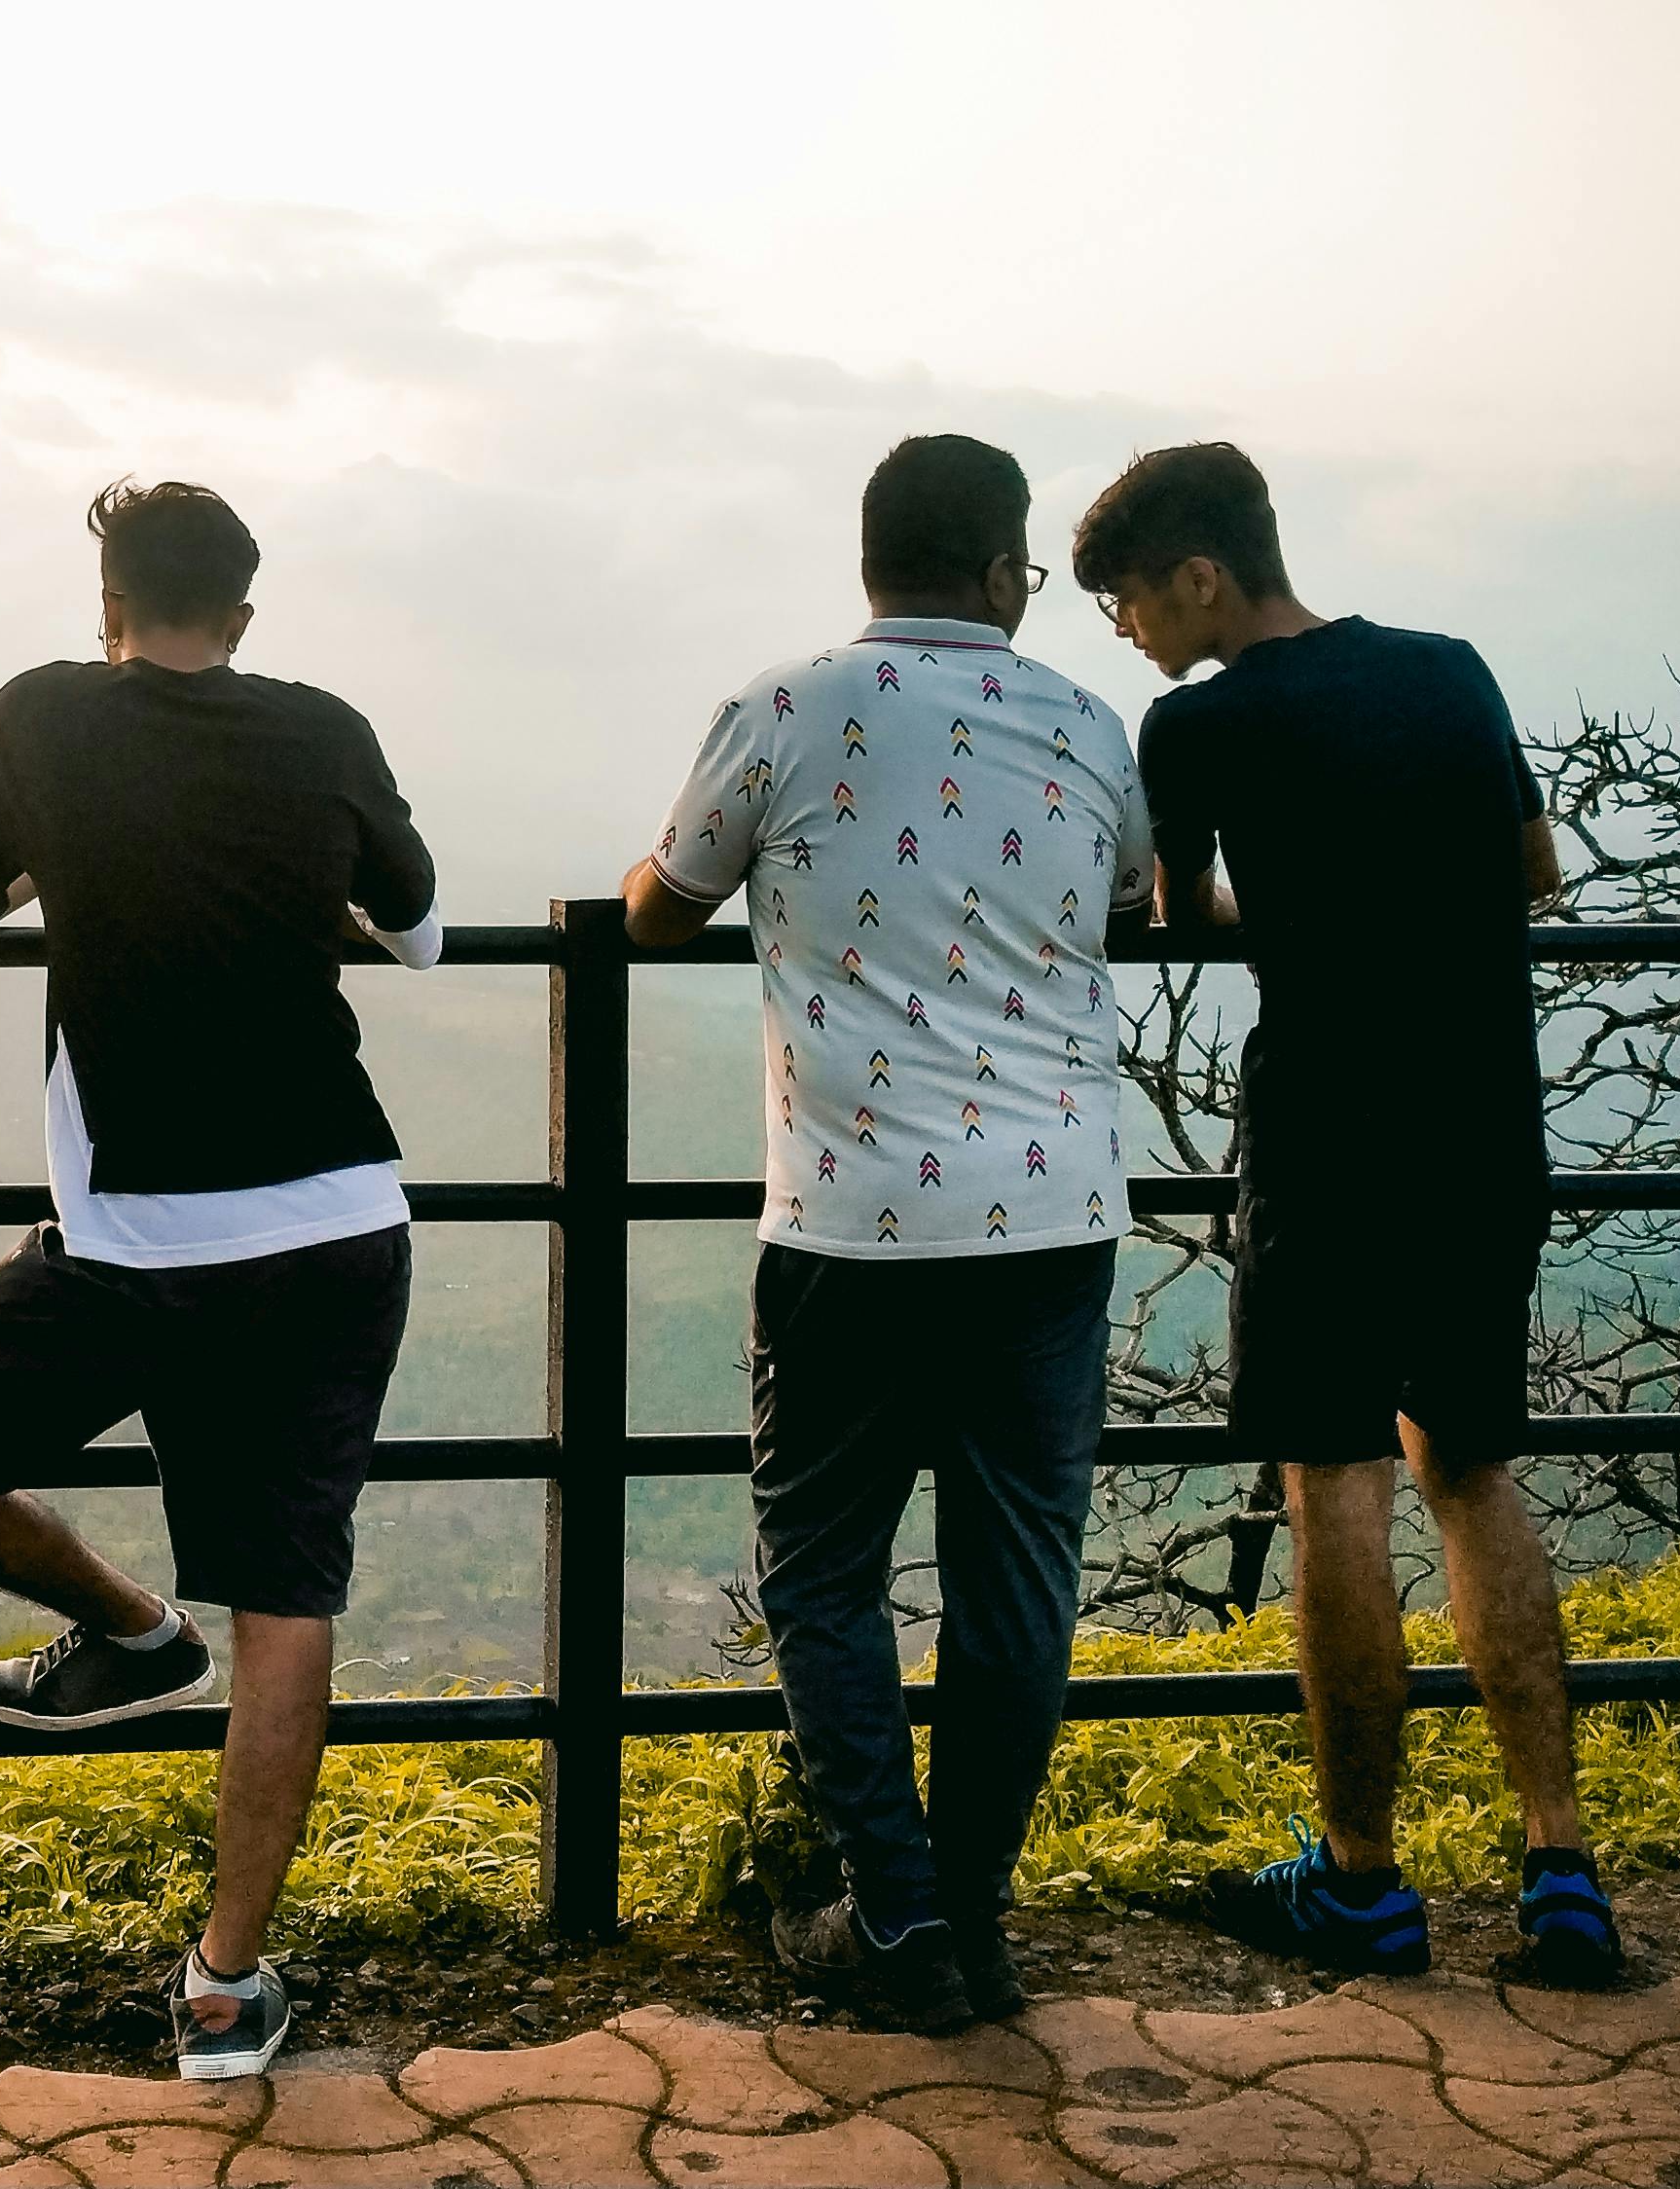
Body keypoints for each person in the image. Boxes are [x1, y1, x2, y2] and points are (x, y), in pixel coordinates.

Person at [0, 480, 441, 2081]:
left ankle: (121, 1626)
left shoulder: (41, 717)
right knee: (288, 1598)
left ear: (101, 600)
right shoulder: (320, 726)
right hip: (334, 1222)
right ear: (242, 612)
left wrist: (57, 864)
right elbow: (424, 929)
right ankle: (228, 1990)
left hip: (133, 1247)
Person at [621, 435, 1150, 2032]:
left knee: (820, 1568)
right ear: (1000, 573)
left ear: (870, 562)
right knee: (1015, 1579)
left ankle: (900, 1915)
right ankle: (968, 1905)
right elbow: (1128, 906)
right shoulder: (1085, 721)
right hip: (1052, 1221)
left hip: (848, 1224)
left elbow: (662, 906)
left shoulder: (782, 708)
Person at [1074, 441, 1618, 1987]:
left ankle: (1364, 1884)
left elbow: (1180, 915)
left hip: (1327, 1135)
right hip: (1484, 1119)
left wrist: (1311, 915)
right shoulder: (1452, 671)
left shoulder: (1199, 723)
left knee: (1334, 1486)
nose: (1125, 632)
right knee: (1474, 1470)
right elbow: (1533, 869)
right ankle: (1558, 1866)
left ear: (1197, 577)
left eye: (1126, 601)